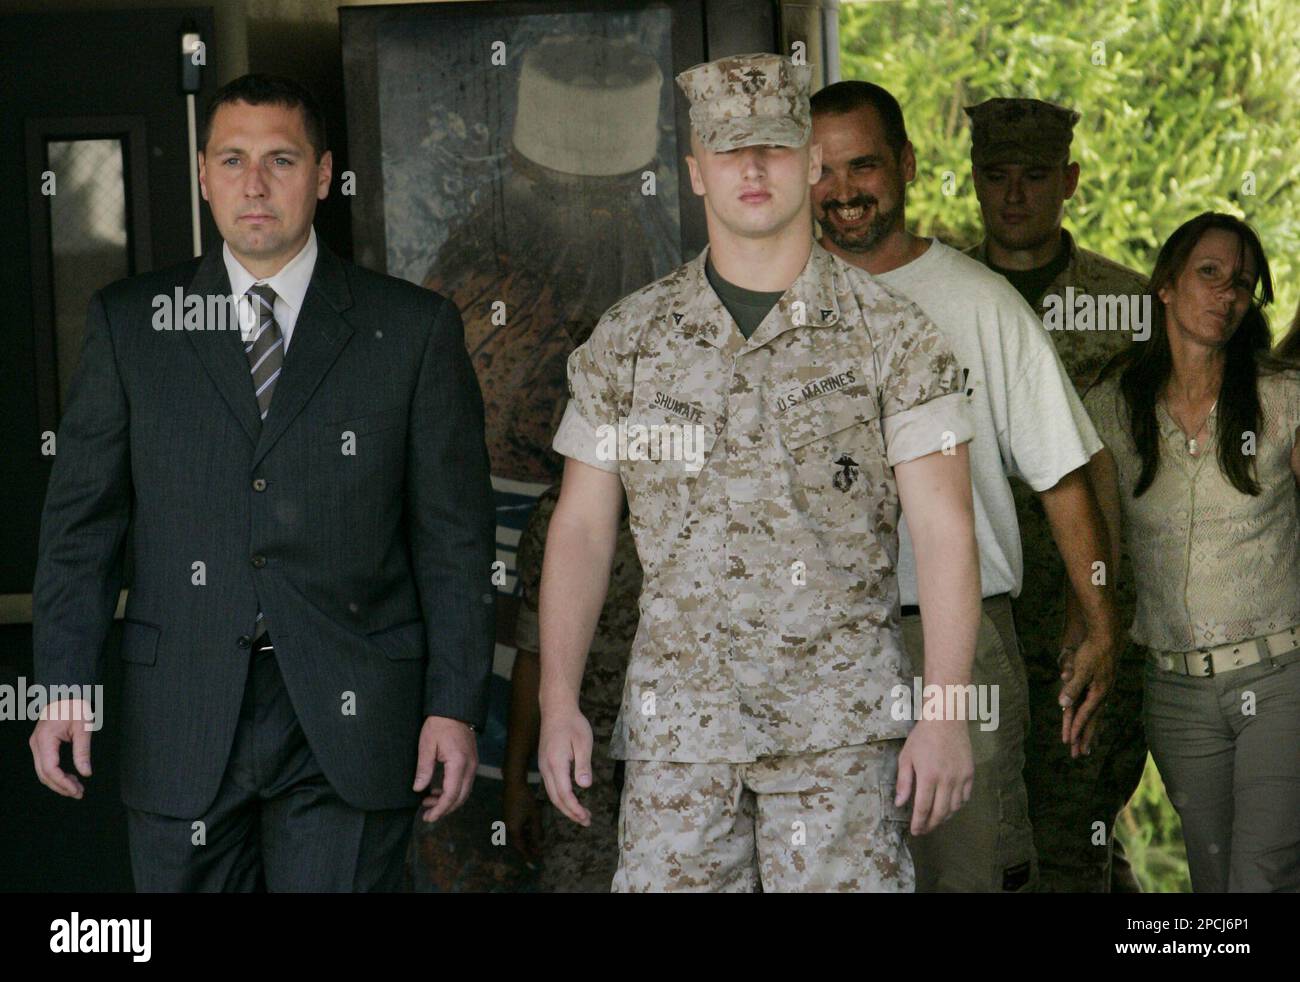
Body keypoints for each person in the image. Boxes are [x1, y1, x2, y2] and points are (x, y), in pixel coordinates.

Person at [29, 74, 496, 892]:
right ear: (203, 174)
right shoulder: (132, 324)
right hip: (180, 712)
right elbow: (82, 528)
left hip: (350, 715)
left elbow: (453, 540)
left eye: (280, 159)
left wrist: (453, 705)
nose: (255, 184)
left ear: (321, 175)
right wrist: (64, 685)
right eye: (233, 159)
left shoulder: (412, 330)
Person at [538, 52, 982, 893]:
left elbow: (945, 530)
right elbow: (582, 529)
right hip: (681, 742)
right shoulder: (628, 341)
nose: (752, 167)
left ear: (810, 163)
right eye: (728, 149)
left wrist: (947, 713)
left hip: (839, 741)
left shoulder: (895, 336)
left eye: (775, 148)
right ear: (695, 169)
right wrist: (559, 702)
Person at [810, 81, 1119, 892]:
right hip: (808, 643)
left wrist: (1098, 622)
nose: (843, 191)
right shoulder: (772, 303)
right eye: (822, 169)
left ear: (908, 165)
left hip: (957, 642)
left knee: (973, 872)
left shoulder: (981, 306)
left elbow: (1065, 479)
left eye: (865, 165)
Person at [1082, 211, 1300, 892]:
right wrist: (1088, 641)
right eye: (1209, 274)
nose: (1226, 294)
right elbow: (1102, 549)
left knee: (1257, 878)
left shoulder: (1283, 398)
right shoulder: (1114, 406)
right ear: (1167, 285)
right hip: (1173, 689)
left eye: (1241, 284)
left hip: (1279, 675)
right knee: (1212, 877)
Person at [964, 96, 1150, 892]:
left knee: (1079, 838)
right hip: (982, 614)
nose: (1014, 195)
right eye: (995, 176)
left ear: (1069, 180)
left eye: (1035, 176)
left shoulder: (1132, 309)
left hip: (1095, 608)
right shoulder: (944, 296)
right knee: (984, 840)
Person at [503, 482, 641, 891]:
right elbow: (533, 656)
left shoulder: (693, 502)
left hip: (674, 746)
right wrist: (515, 782)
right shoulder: (560, 514)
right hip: (585, 753)